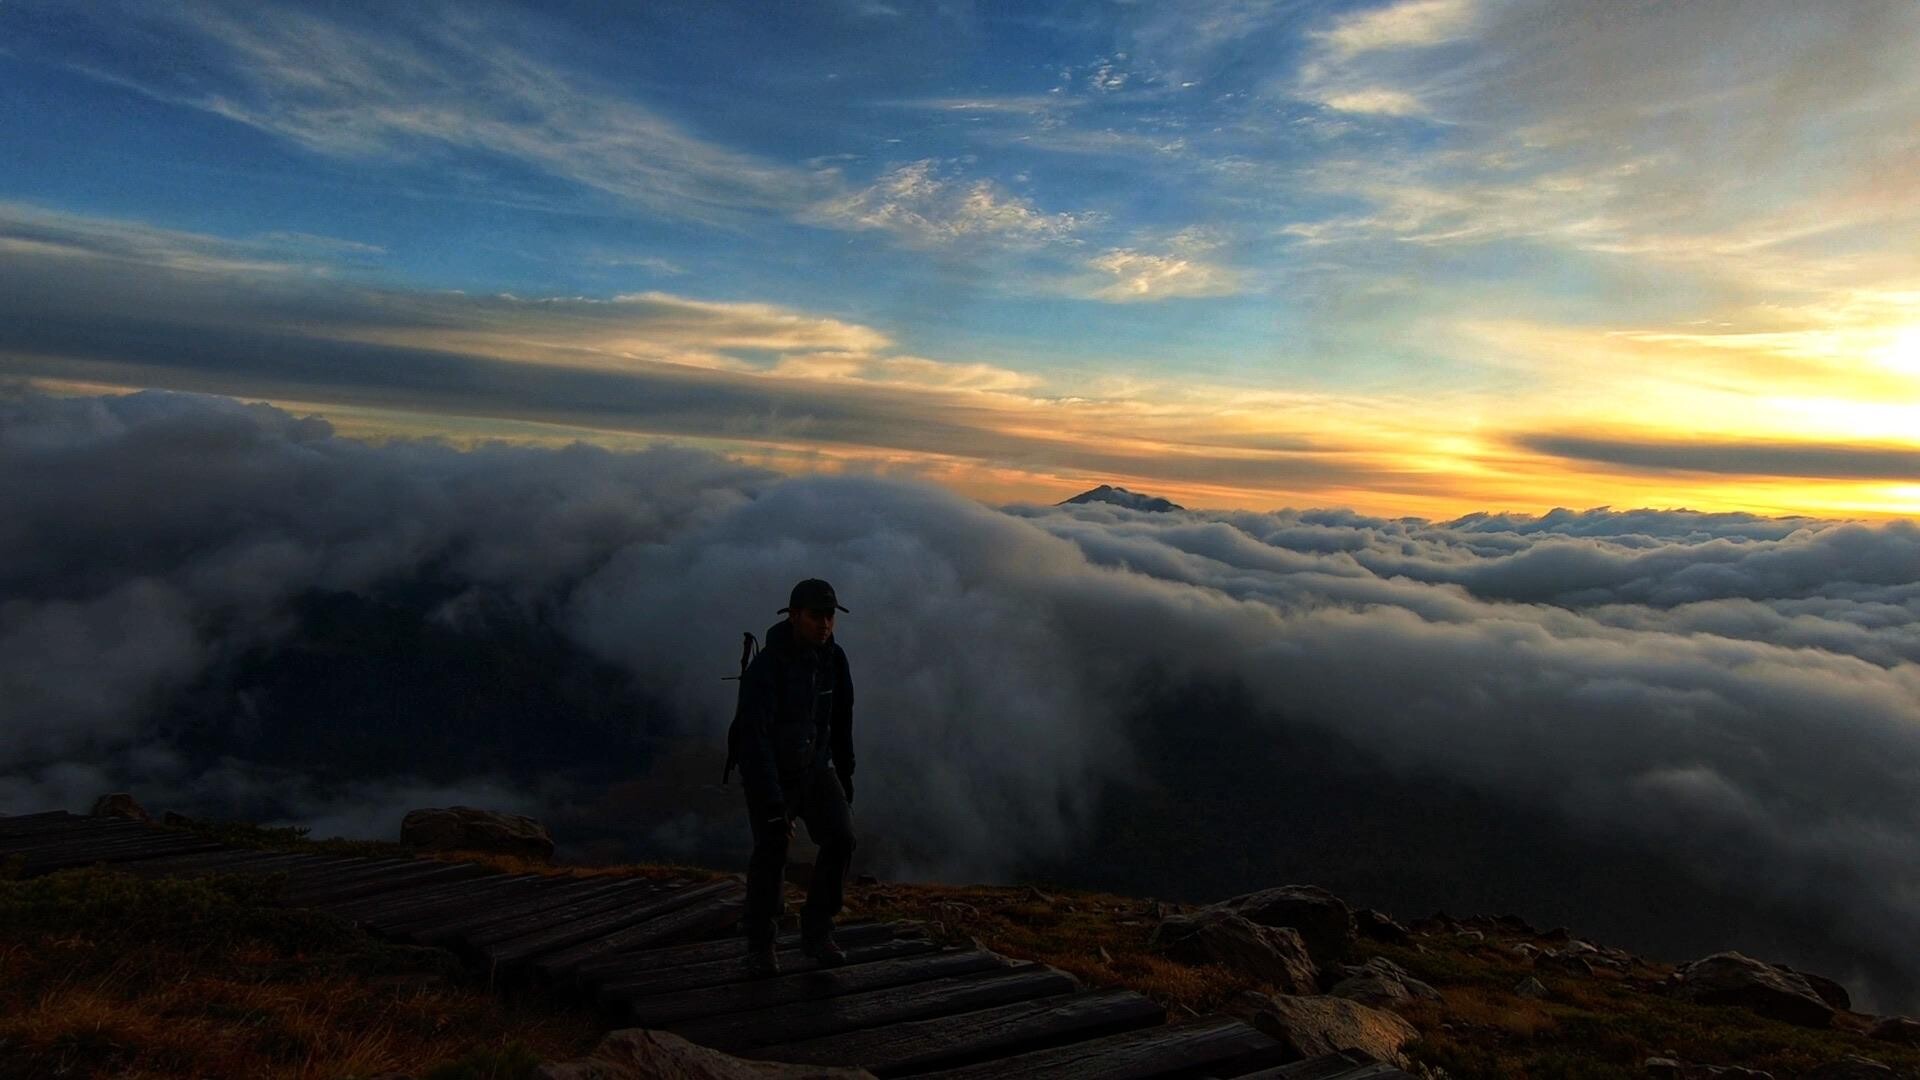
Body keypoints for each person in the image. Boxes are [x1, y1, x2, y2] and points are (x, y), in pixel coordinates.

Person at [735, 577, 857, 976]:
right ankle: (760, 945)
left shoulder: (833, 659)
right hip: (772, 771)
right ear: (793, 616)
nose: (825, 624)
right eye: (816, 616)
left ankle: (817, 931)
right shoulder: (768, 667)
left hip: (816, 768)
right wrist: (772, 803)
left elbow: (840, 718)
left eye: (830, 616)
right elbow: (754, 739)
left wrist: (845, 770)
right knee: (772, 848)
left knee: (841, 838)